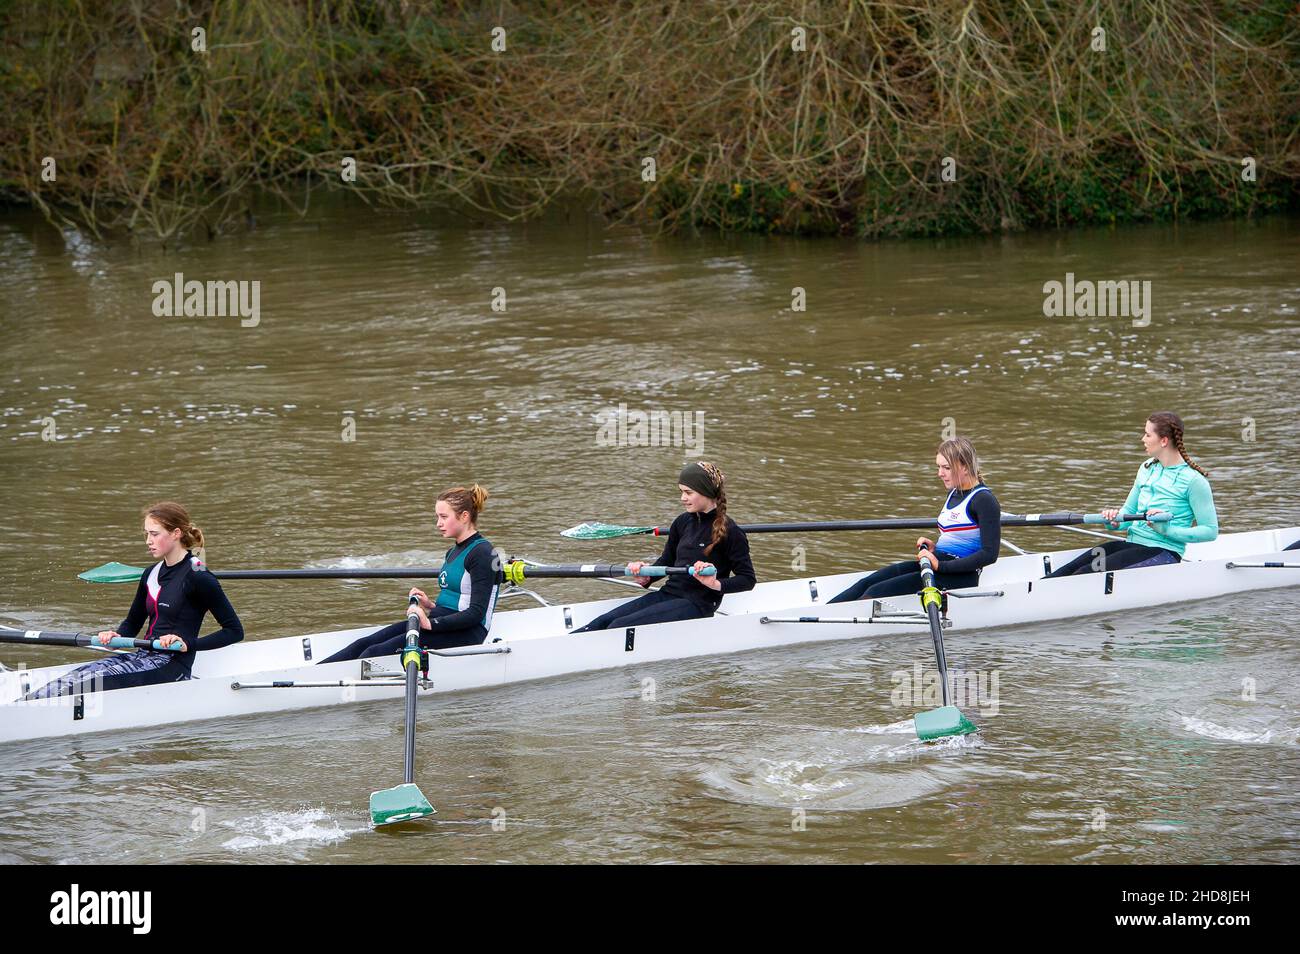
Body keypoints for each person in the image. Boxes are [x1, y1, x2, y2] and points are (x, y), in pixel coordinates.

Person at [26, 502, 243, 698]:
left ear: (176, 533)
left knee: (79, 687)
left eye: (154, 534)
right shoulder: (150, 573)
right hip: (142, 656)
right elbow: (132, 623)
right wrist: (116, 636)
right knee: (68, 680)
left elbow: (234, 631)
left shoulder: (199, 576)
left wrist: (188, 645)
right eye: (146, 534)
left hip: (171, 665)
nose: (148, 541)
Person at [319, 485, 501, 663]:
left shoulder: (483, 553)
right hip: (442, 622)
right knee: (362, 644)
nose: (438, 523)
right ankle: (305, 681)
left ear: (464, 516)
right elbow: (460, 597)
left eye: (444, 517)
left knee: (374, 652)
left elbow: (476, 613)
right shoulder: (452, 551)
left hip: (468, 633)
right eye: (437, 517)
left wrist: (431, 624)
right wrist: (430, 604)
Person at [571, 462, 756, 632]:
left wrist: (715, 584)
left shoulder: (731, 532)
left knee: (619, 626)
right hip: (668, 594)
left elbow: (747, 580)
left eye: (689, 492)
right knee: (601, 622)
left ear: (706, 491)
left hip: (697, 604)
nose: (683, 498)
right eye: (681, 491)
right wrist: (646, 576)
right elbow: (667, 561)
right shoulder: (682, 522)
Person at [1046, 411, 1217, 577]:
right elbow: (1127, 515)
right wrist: (1114, 520)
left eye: (1147, 435)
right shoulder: (1146, 468)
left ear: (1163, 440)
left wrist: (1167, 530)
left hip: (1164, 552)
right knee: (1064, 573)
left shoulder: (1194, 481)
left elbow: (1210, 531)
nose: (1143, 439)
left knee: (1084, 575)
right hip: (1132, 545)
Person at [830, 437, 1000, 602]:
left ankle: (836, 627)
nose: (940, 473)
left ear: (965, 467)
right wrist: (935, 548)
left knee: (876, 592)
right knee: (866, 583)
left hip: (961, 578)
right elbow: (958, 537)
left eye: (946, 468)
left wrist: (941, 566)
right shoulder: (954, 493)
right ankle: (812, 618)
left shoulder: (984, 500)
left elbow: (989, 554)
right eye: (938, 467)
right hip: (935, 563)